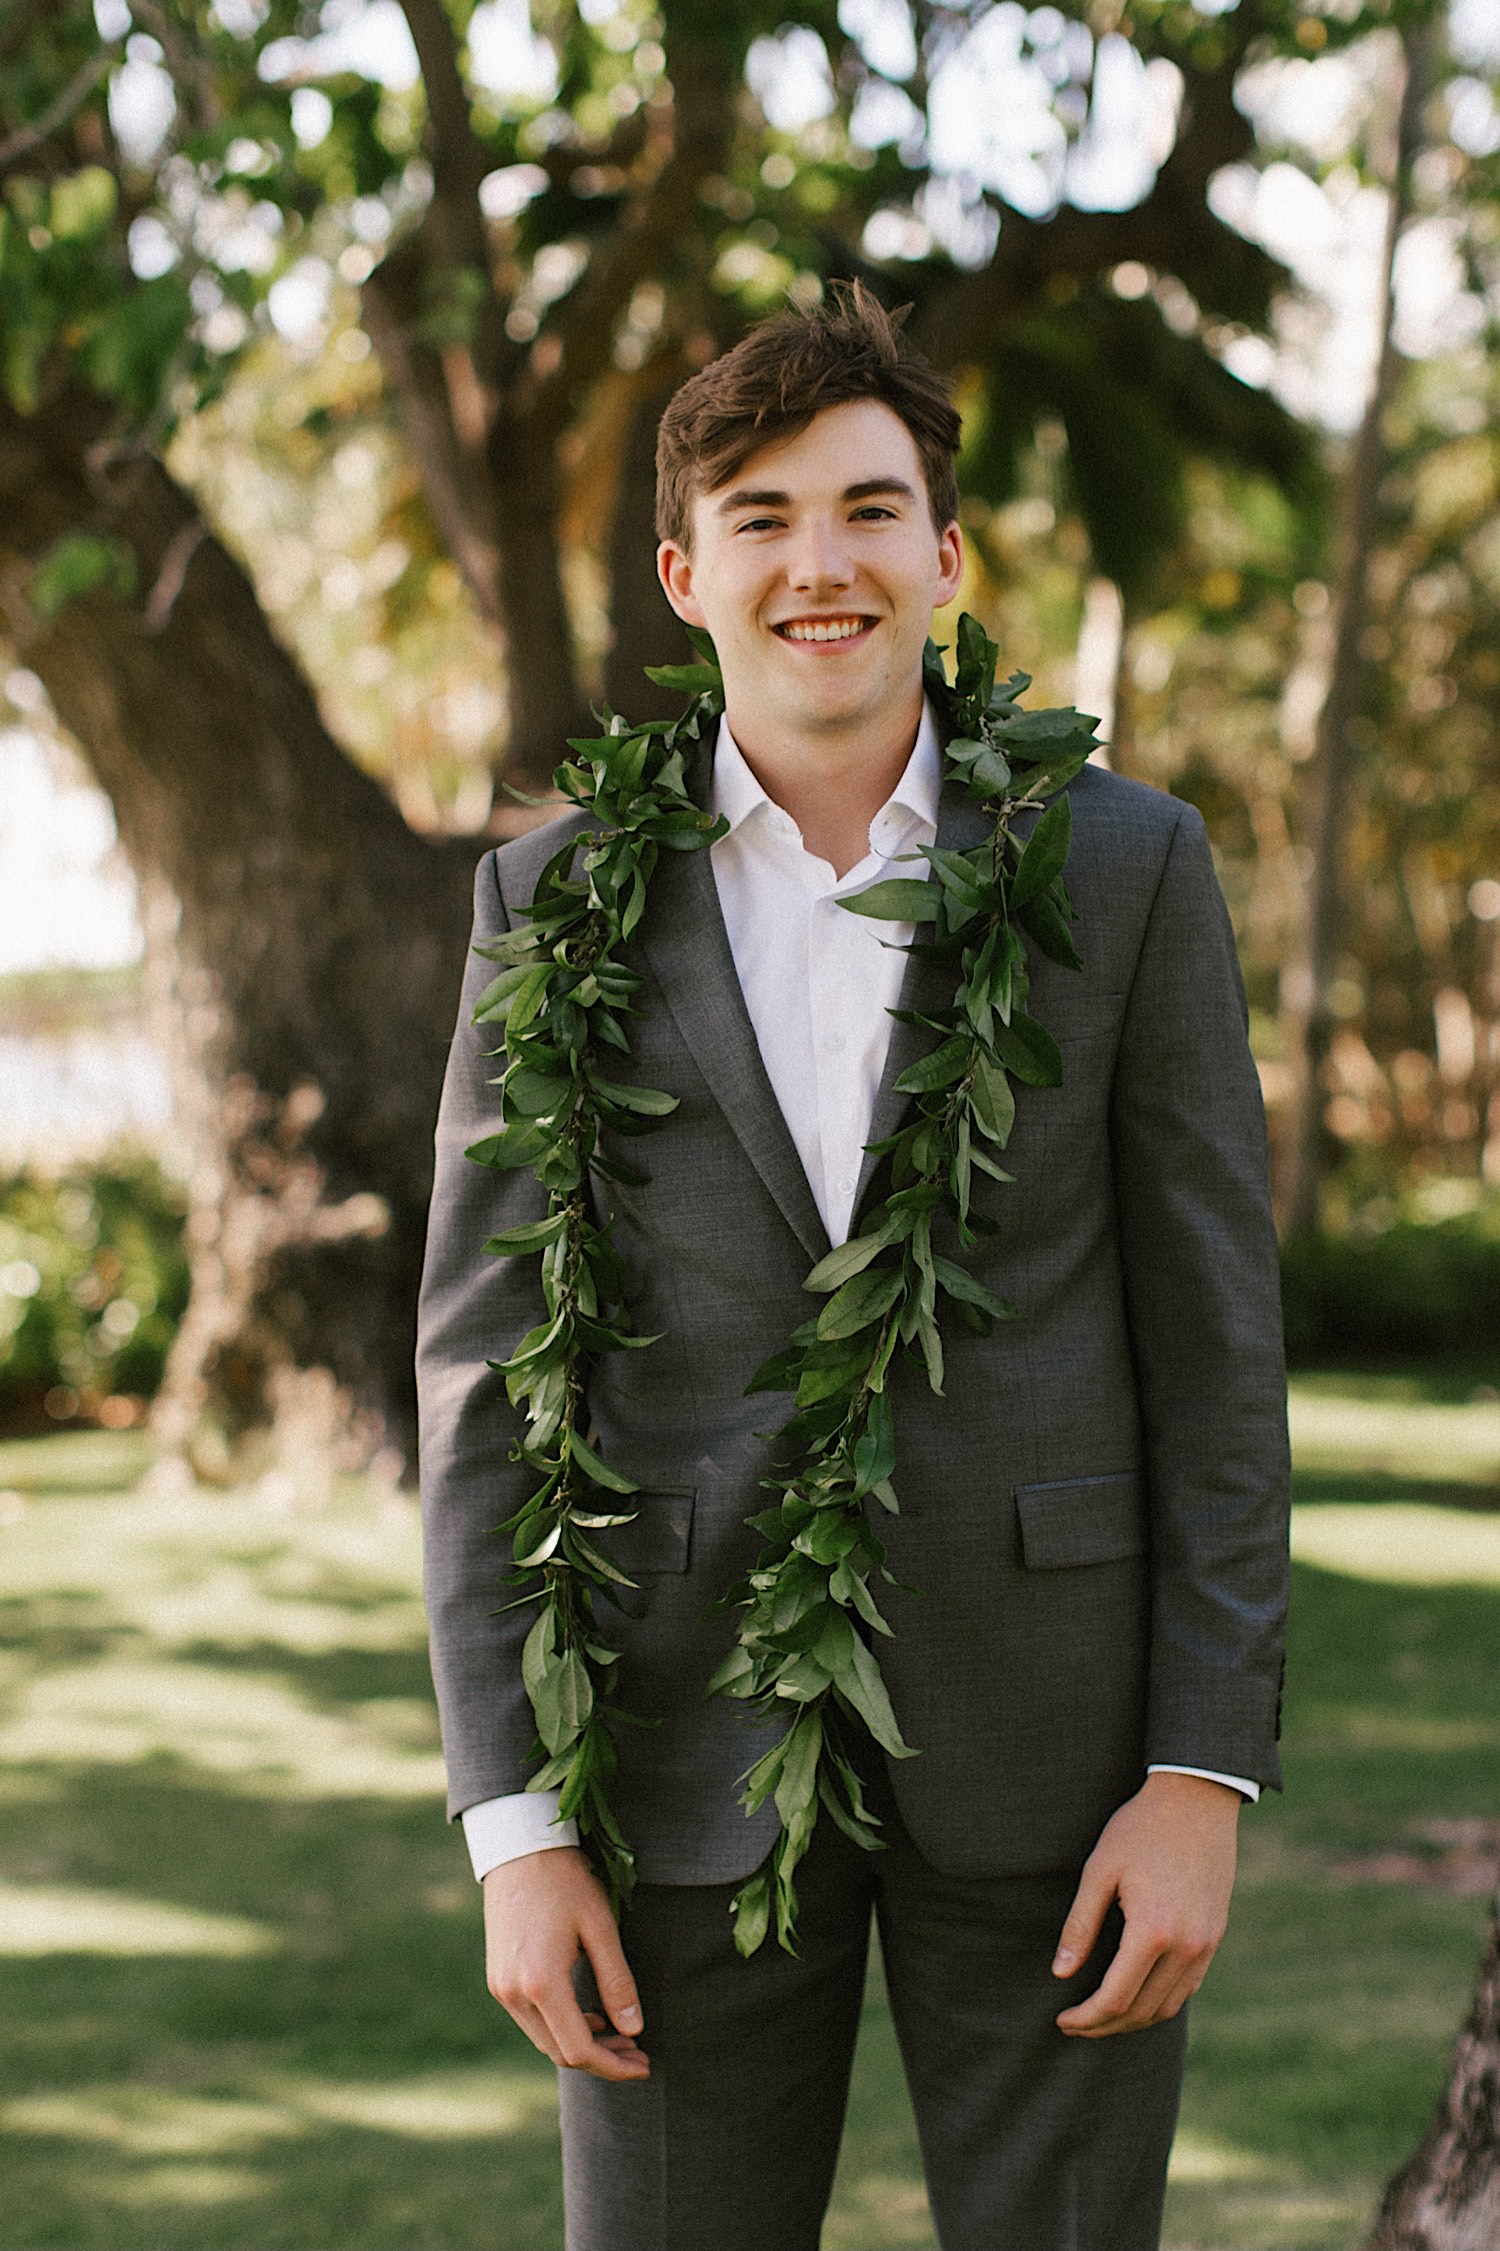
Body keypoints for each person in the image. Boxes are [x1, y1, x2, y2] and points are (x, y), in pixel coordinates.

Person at [416, 287, 1290, 2251]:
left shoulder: (1126, 867)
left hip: (1067, 1771)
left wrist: (1202, 1774)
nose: (822, 560)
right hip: (666, 1757)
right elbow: (481, 1383)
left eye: (870, 507)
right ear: (684, 570)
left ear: (946, 556)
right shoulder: (551, 905)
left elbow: (1219, 1356)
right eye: (762, 515)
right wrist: (517, 1826)